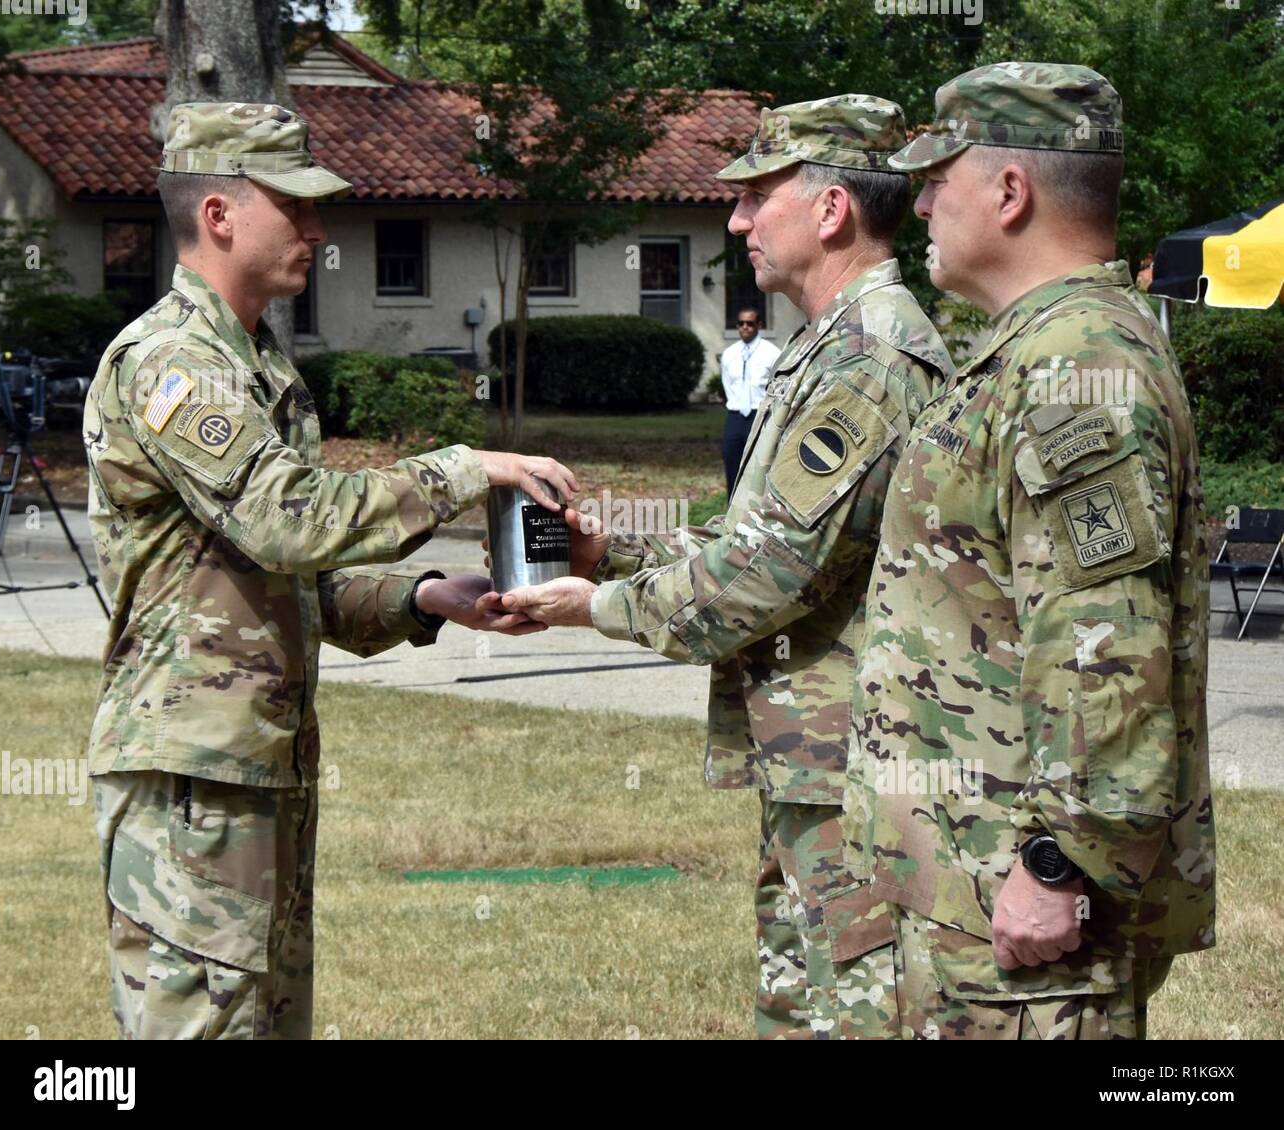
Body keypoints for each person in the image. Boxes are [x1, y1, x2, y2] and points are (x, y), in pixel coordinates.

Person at [84, 102, 576, 1039]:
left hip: (256, 770)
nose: (318, 229)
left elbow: (297, 582)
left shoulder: (260, 363)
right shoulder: (173, 364)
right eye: (295, 206)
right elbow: (288, 520)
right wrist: (465, 469)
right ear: (220, 215)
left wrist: (429, 598)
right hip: (194, 776)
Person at [502, 94, 953, 1038]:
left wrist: (600, 605)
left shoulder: (869, 357)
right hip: (815, 768)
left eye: (757, 195)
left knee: (852, 1020)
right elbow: (755, 536)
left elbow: (763, 573)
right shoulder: (826, 350)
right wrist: (610, 552)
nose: (738, 219)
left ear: (830, 210)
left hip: (852, 775)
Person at [853, 62, 1214, 1039]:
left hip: (1026, 918)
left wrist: (1059, 864)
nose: (919, 201)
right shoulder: (1039, 347)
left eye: (939, 176)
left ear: (1009, 193)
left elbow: (1103, 638)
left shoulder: (1078, 362)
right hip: (975, 891)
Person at [720, 306, 780, 496]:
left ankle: (757, 510)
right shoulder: (729, 354)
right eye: (741, 323)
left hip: (759, 415)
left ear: (759, 325)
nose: (745, 327)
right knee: (731, 459)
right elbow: (727, 384)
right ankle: (731, 508)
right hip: (735, 416)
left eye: (750, 323)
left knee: (760, 465)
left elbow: (776, 385)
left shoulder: (772, 353)